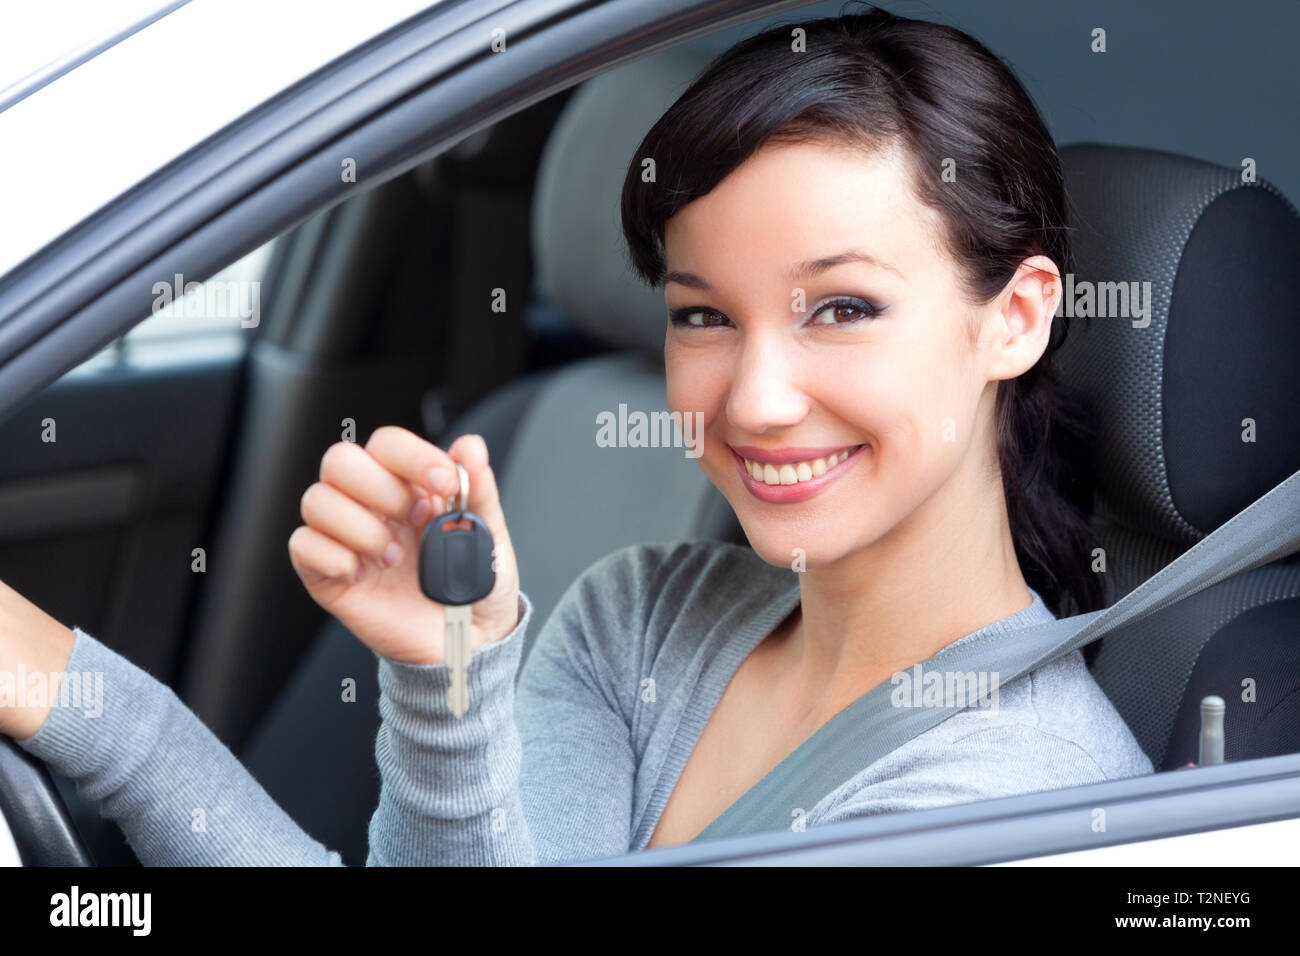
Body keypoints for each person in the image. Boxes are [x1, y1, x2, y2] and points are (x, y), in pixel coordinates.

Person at [0, 6, 1152, 866]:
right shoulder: (643, 617)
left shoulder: (1023, 799)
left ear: (1015, 316)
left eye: (840, 308)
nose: (751, 398)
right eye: (702, 313)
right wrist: (437, 670)